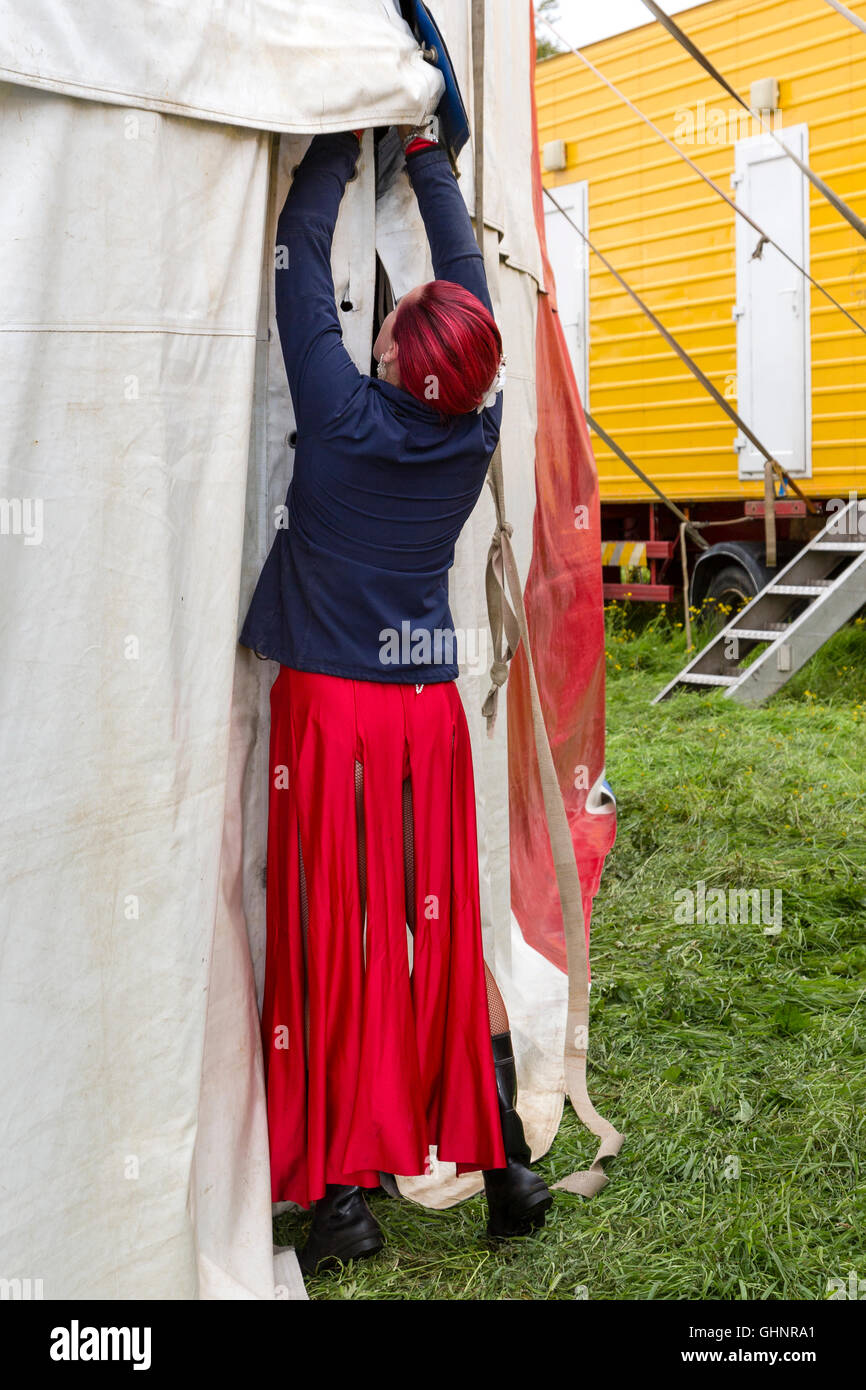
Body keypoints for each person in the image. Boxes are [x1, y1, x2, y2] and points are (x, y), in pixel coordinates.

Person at [239, 118, 552, 1276]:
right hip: (425, 718)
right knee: (432, 939)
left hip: (331, 719)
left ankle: (339, 1198)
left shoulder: (335, 414)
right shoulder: (473, 429)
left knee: (331, 946)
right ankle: (503, 1162)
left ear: (390, 365)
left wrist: (340, 138)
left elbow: (298, 253)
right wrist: (424, 153)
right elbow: (465, 288)